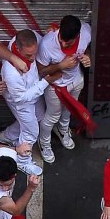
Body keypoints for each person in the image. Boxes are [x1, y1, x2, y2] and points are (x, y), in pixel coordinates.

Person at [37, 15, 91, 163]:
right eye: (61, 39)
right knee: (52, 116)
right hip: (56, 85)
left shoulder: (86, 31)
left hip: (76, 79)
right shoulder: (47, 43)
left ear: (78, 35)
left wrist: (87, 56)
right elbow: (41, 71)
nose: (63, 43)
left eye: (68, 42)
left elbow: (89, 46)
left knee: (69, 109)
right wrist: (61, 66)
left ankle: (62, 130)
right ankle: (44, 143)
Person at [0, 30, 48, 176]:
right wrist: (45, 82)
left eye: (34, 53)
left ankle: (6, 136)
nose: (32, 58)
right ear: (17, 49)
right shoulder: (11, 73)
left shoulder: (31, 39)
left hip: (34, 94)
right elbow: (21, 98)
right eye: (28, 55)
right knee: (31, 131)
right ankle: (23, 162)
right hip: (21, 102)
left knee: (39, 116)